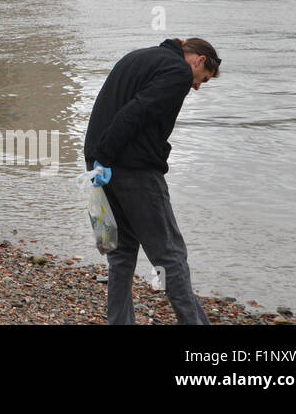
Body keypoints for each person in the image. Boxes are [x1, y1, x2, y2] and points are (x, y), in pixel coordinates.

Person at [83, 37, 222, 326]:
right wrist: (107, 156)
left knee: (120, 253)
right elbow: (138, 110)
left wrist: (98, 161)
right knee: (170, 255)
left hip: (98, 167)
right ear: (199, 60)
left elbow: (113, 107)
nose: (196, 86)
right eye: (203, 79)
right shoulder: (178, 71)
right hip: (131, 170)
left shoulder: (138, 56)